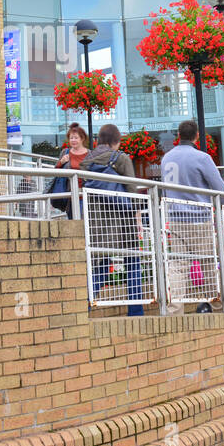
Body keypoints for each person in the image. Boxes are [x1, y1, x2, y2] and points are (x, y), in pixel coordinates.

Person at [160, 120, 224, 314]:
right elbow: (220, 188)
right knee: (208, 263)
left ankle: (175, 310)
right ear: (196, 136)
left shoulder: (166, 158)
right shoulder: (202, 158)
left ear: (178, 135)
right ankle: (217, 305)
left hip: (175, 218)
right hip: (199, 218)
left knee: (178, 266)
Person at [81, 124, 142, 316]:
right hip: (123, 220)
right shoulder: (121, 158)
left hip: (97, 221)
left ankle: (85, 306)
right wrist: (138, 216)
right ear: (116, 141)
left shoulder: (87, 160)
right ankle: (135, 310)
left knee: (101, 263)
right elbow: (132, 190)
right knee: (132, 262)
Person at [52, 124, 89, 218]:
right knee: (73, 220)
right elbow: (55, 173)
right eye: (71, 138)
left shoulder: (90, 154)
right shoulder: (65, 152)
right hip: (70, 195)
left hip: (85, 195)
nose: (73, 140)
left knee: (84, 222)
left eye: (76, 138)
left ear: (82, 139)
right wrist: (61, 162)